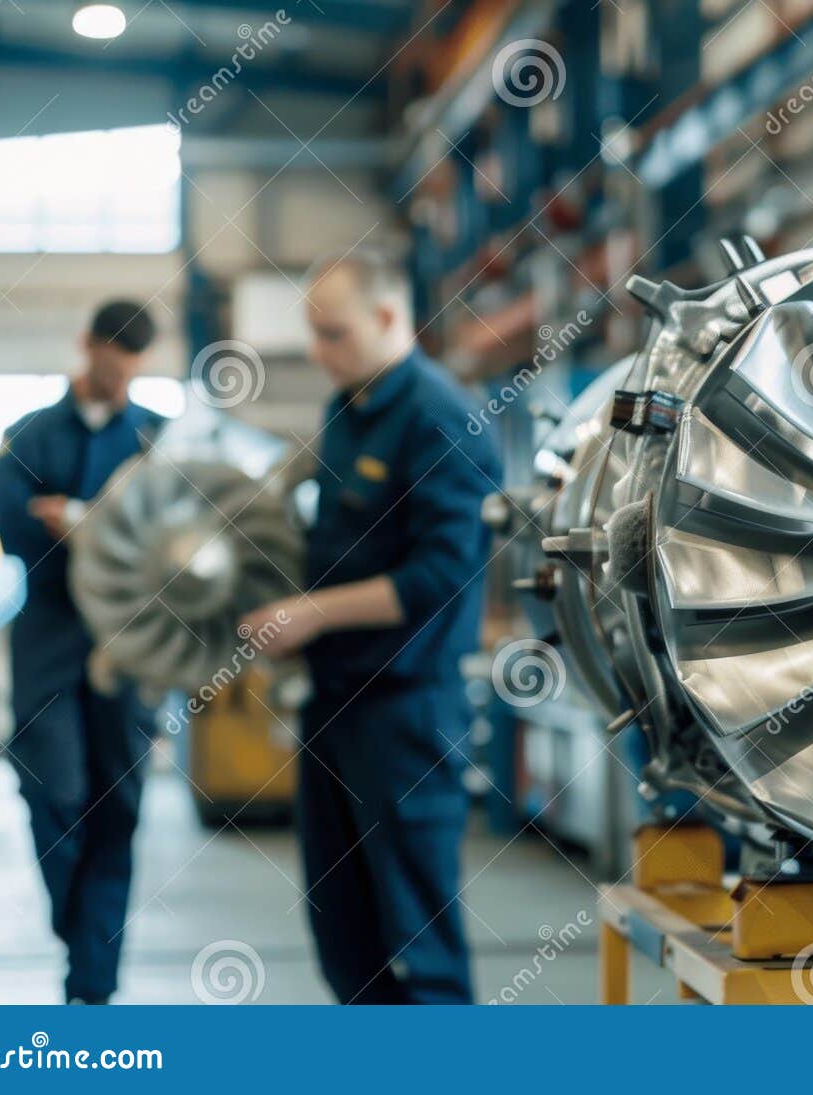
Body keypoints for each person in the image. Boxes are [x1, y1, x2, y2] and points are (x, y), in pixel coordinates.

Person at [239, 248, 498, 1004]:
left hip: (405, 714)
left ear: (389, 316)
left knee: (417, 940)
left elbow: (437, 577)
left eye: (333, 333)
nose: (319, 353)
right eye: (313, 334)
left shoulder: (443, 419)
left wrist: (312, 613)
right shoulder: (345, 410)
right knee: (344, 935)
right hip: (333, 702)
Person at [0, 300, 164, 1004]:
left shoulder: (157, 438)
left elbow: (172, 541)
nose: (119, 375)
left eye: (132, 365)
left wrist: (80, 520)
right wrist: (114, 530)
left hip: (133, 647)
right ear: (85, 344)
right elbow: (17, 533)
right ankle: (80, 934)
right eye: (110, 358)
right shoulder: (26, 440)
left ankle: (93, 986)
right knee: (54, 792)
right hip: (50, 643)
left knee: (118, 808)